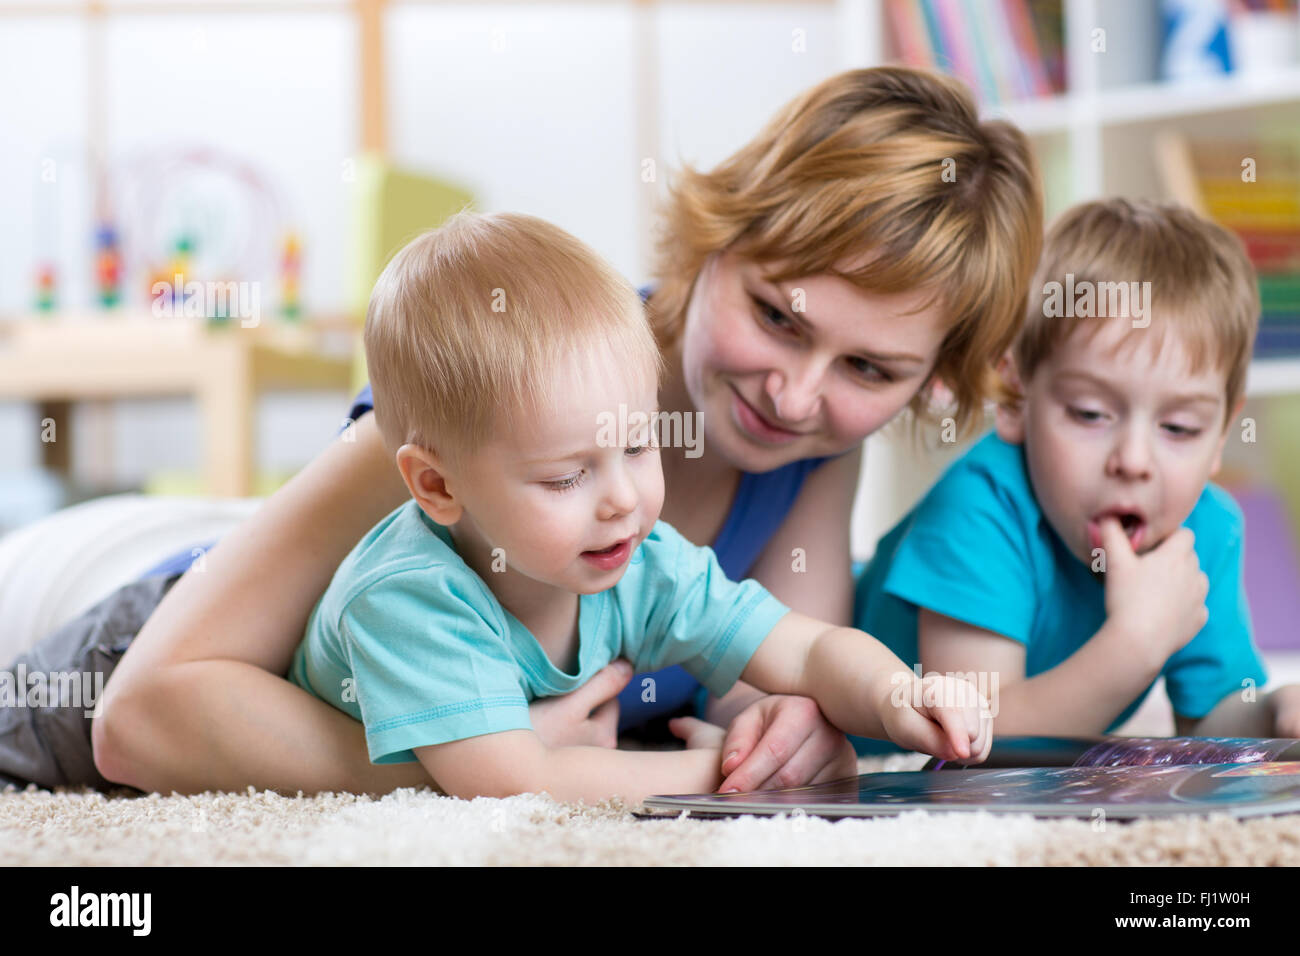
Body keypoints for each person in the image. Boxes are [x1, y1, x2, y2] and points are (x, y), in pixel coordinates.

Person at [21, 67, 1038, 796]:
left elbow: (774, 679)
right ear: (714, 240)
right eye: (777, 314)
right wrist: (485, 759)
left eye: (869, 369)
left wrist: (822, 719)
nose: (797, 392)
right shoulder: (504, 390)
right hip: (161, 633)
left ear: (924, 380)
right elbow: (140, 718)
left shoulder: (816, 441)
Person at [288, 211, 992, 804]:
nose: (624, 500)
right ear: (439, 488)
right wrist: (736, 777)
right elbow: (517, 780)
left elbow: (801, 647)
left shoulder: (639, 558)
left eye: (638, 444)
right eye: (566, 478)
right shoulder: (408, 594)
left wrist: (896, 692)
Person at [854, 198, 1300, 749]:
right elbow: (972, 743)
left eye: (1181, 427)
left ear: (1220, 437)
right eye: (1090, 413)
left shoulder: (1206, 531)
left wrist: (1277, 712)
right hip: (843, 736)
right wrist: (1135, 645)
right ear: (1016, 398)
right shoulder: (977, 508)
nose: (1133, 461)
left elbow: (1209, 725)